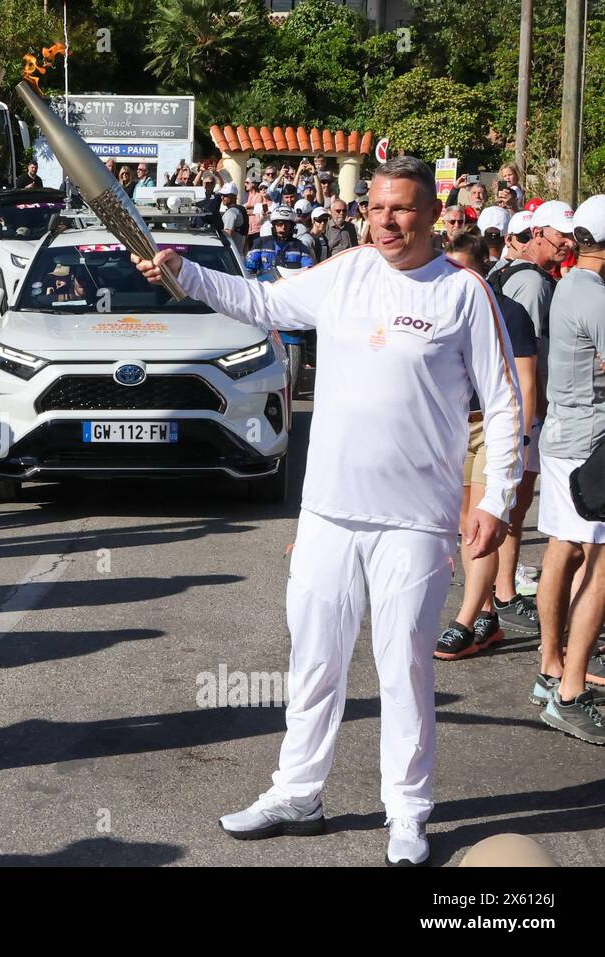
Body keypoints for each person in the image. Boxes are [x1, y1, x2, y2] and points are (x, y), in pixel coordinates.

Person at [130, 156, 523, 866]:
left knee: (403, 666)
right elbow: (262, 302)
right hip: (330, 514)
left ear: (434, 214)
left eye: (402, 209)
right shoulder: (343, 274)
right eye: (376, 208)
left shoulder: (463, 294)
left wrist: (496, 498)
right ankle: (298, 791)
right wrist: (182, 274)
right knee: (313, 661)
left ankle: (406, 811)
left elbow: (502, 405)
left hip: (415, 519)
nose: (388, 221)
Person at [434, 231, 538, 660]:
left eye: (463, 269)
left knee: (481, 527)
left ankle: (464, 620)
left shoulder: (509, 313)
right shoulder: (444, 306)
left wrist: (520, 436)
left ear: (484, 268)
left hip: (492, 430)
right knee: (463, 526)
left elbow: (527, 382)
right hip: (455, 426)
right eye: (449, 268)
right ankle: (486, 616)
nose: (455, 277)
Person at [488, 200, 575, 635]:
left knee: (512, 504)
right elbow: (525, 353)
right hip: (525, 408)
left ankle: (499, 593)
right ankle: (499, 595)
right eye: (560, 234)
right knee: (512, 504)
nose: (567, 242)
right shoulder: (532, 284)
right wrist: (532, 415)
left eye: (571, 234)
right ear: (537, 233)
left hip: (520, 406)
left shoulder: (520, 276)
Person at [536, 194, 605, 743]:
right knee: (600, 565)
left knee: (566, 548)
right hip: (589, 441)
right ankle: (572, 689)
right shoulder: (594, 295)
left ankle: (554, 667)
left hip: (565, 434)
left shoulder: (570, 287)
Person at [217, 183, 246, 258]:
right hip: (240, 254)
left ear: (233, 196)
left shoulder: (231, 212)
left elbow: (227, 235)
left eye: (225, 195)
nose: (222, 197)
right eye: (221, 195)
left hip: (231, 256)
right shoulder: (241, 209)